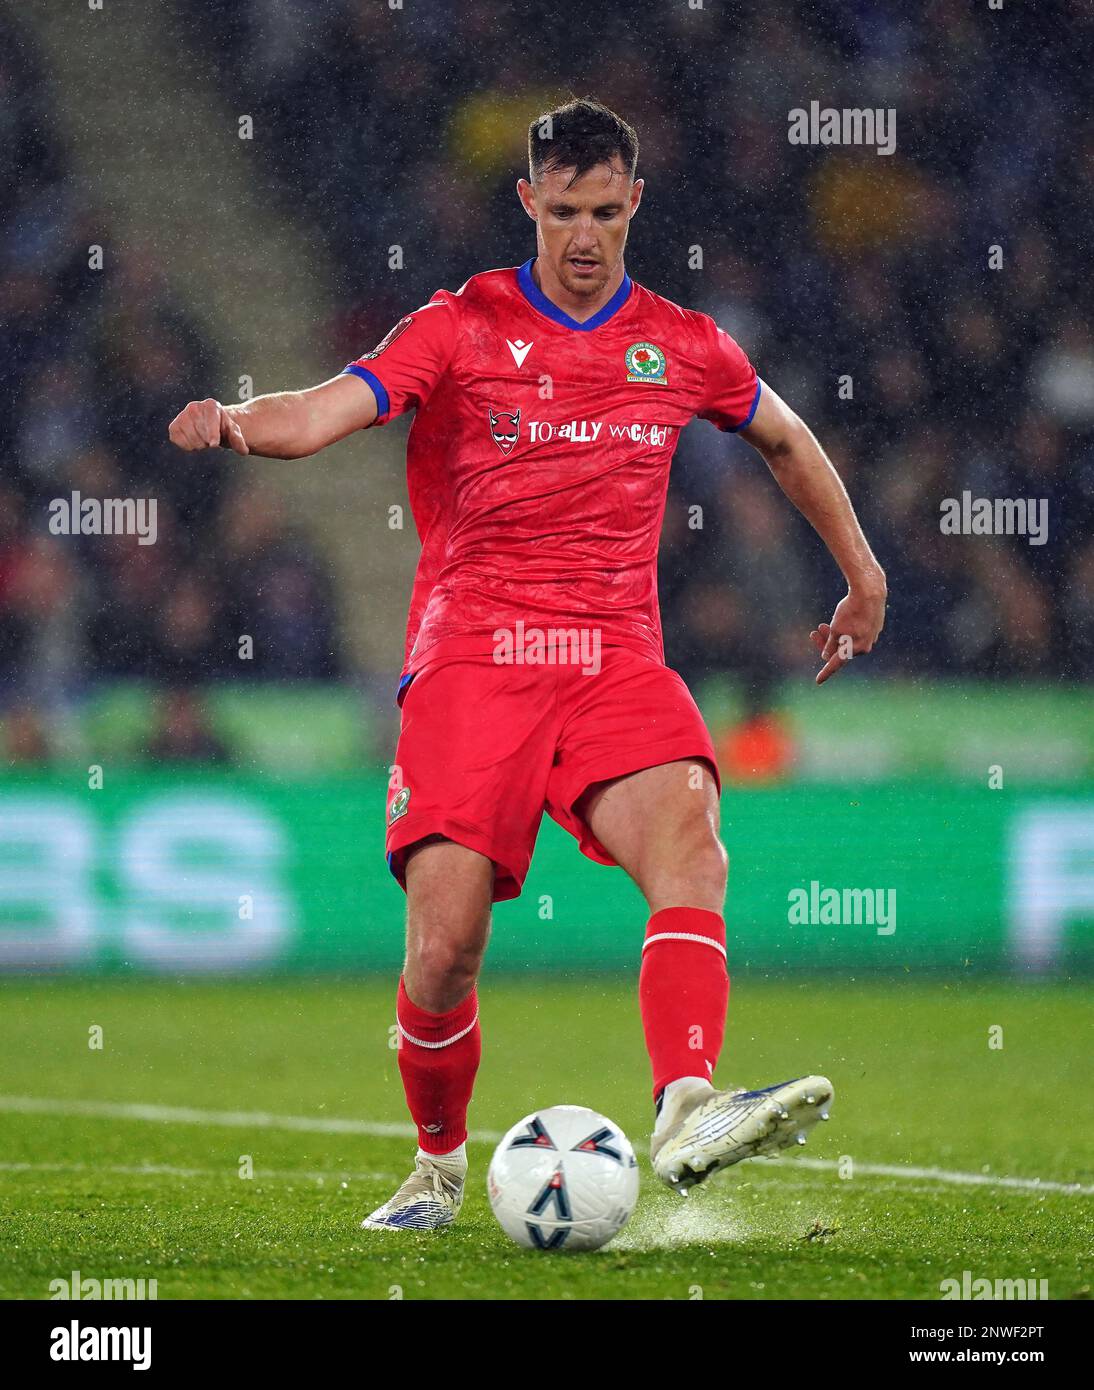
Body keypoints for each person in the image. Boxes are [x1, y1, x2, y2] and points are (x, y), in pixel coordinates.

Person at [168, 98, 886, 1231]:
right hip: (474, 657)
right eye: (564, 214)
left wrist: (861, 576)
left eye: (605, 211)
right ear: (528, 203)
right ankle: (437, 1166)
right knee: (444, 950)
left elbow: (786, 439)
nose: (587, 237)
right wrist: (239, 421)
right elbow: (323, 413)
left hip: (611, 657)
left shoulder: (684, 342)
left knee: (692, 843)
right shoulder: (457, 327)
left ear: (634, 203)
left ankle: (688, 1102)